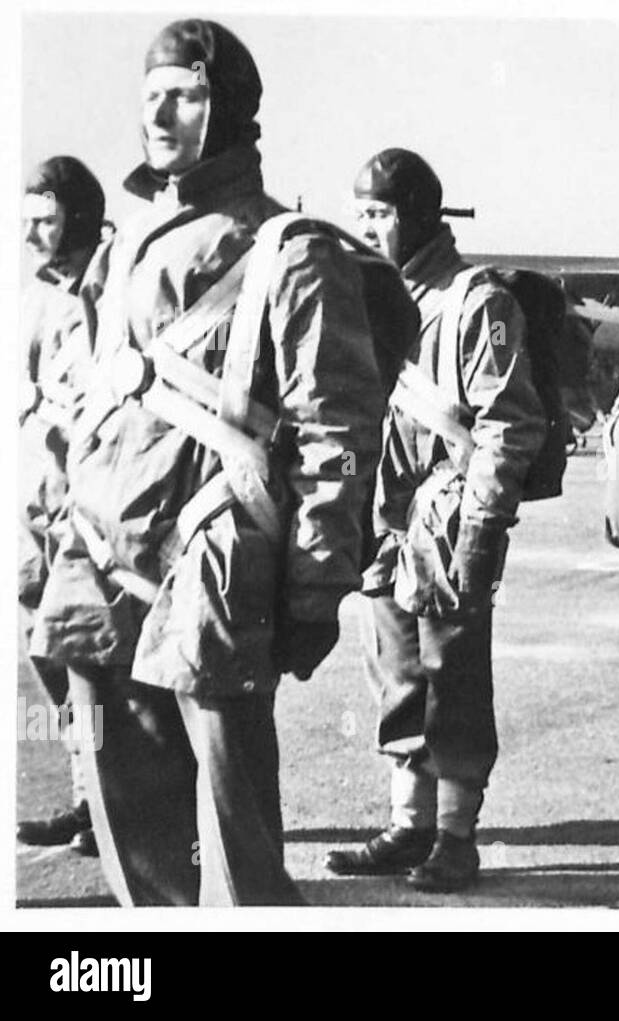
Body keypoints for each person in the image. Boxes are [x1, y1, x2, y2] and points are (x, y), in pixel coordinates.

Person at [28, 19, 388, 906]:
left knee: (236, 838)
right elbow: (90, 404)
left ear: (226, 107)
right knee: (129, 816)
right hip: (105, 552)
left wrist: (314, 586)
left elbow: (335, 429)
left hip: (211, 554)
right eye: (149, 96)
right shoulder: (119, 250)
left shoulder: (292, 249)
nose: (160, 114)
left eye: (184, 94)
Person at [324, 149, 547, 891]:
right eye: (359, 216)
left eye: (379, 215)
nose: (366, 230)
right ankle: (409, 822)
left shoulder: (475, 303)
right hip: (387, 520)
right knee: (395, 673)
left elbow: (508, 426)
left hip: (450, 513)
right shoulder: (370, 298)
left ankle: (456, 836)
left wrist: (479, 532)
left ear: (419, 216)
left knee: (454, 674)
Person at [17, 156, 106, 857]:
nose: (31, 234)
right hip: (41, 495)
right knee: (41, 641)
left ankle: (104, 801)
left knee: (84, 647)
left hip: (97, 497)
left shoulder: (114, 285)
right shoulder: (34, 295)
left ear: (76, 216)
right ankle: (90, 792)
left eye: (44, 220)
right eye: (26, 220)